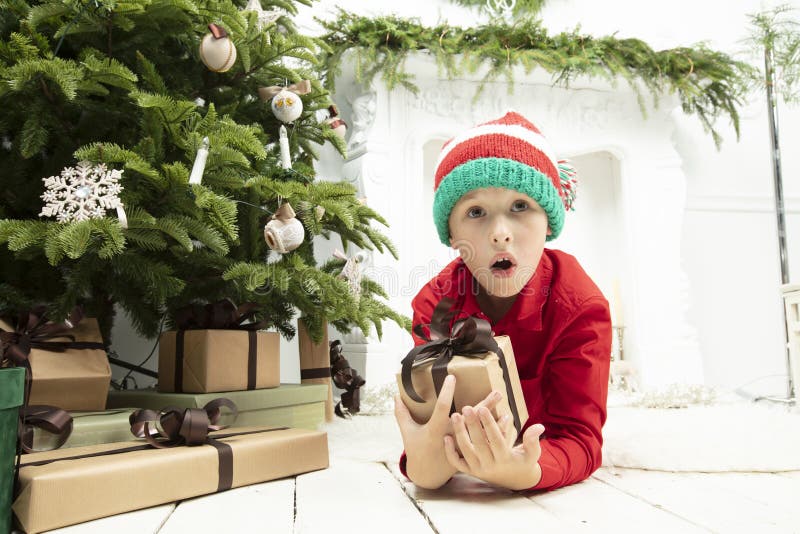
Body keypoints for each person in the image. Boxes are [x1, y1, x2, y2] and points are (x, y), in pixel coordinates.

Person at [394, 111, 612, 491]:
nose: (499, 234)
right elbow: (431, 420)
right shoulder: (435, 304)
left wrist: (525, 470)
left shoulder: (580, 307)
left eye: (520, 207)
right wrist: (427, 459)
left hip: (537, 450)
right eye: (475, 212)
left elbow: (580, 439)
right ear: (451, 232)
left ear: (549, 221)